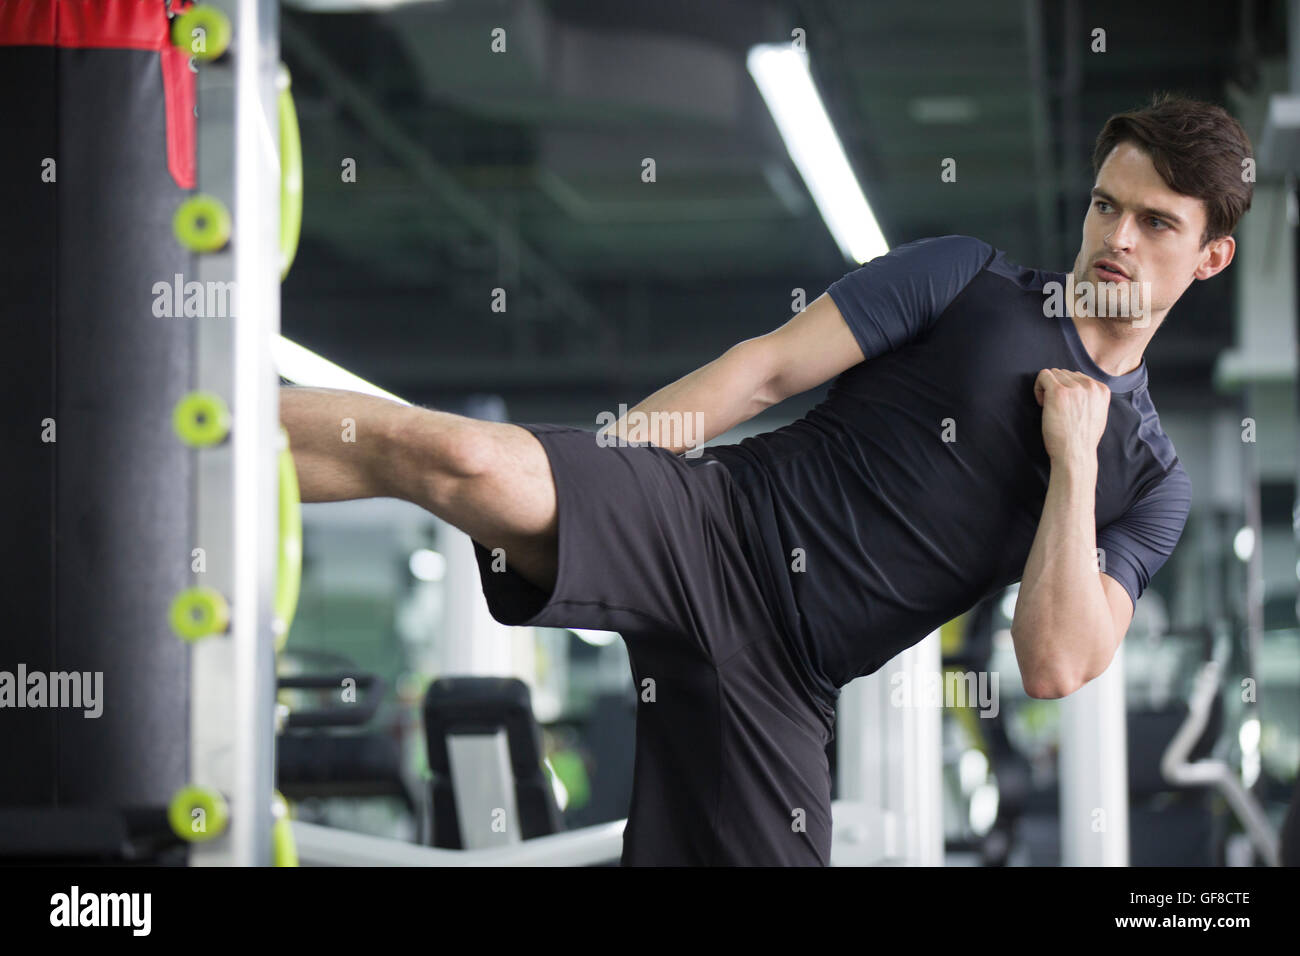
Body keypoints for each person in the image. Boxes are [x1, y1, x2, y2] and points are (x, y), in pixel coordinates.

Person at [280, 93, 1252, 866]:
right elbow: (763, 371)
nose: (1116, 236)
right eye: (1104, 203)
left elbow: (1051, 662)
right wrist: (599, 466)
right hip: (710, 525)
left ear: (1210, 255)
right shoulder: (967, 280)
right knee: (462, 458)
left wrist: (1074, 455)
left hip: (785, 684)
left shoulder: (1148, 481)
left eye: (1154, 222)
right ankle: (181, 447)